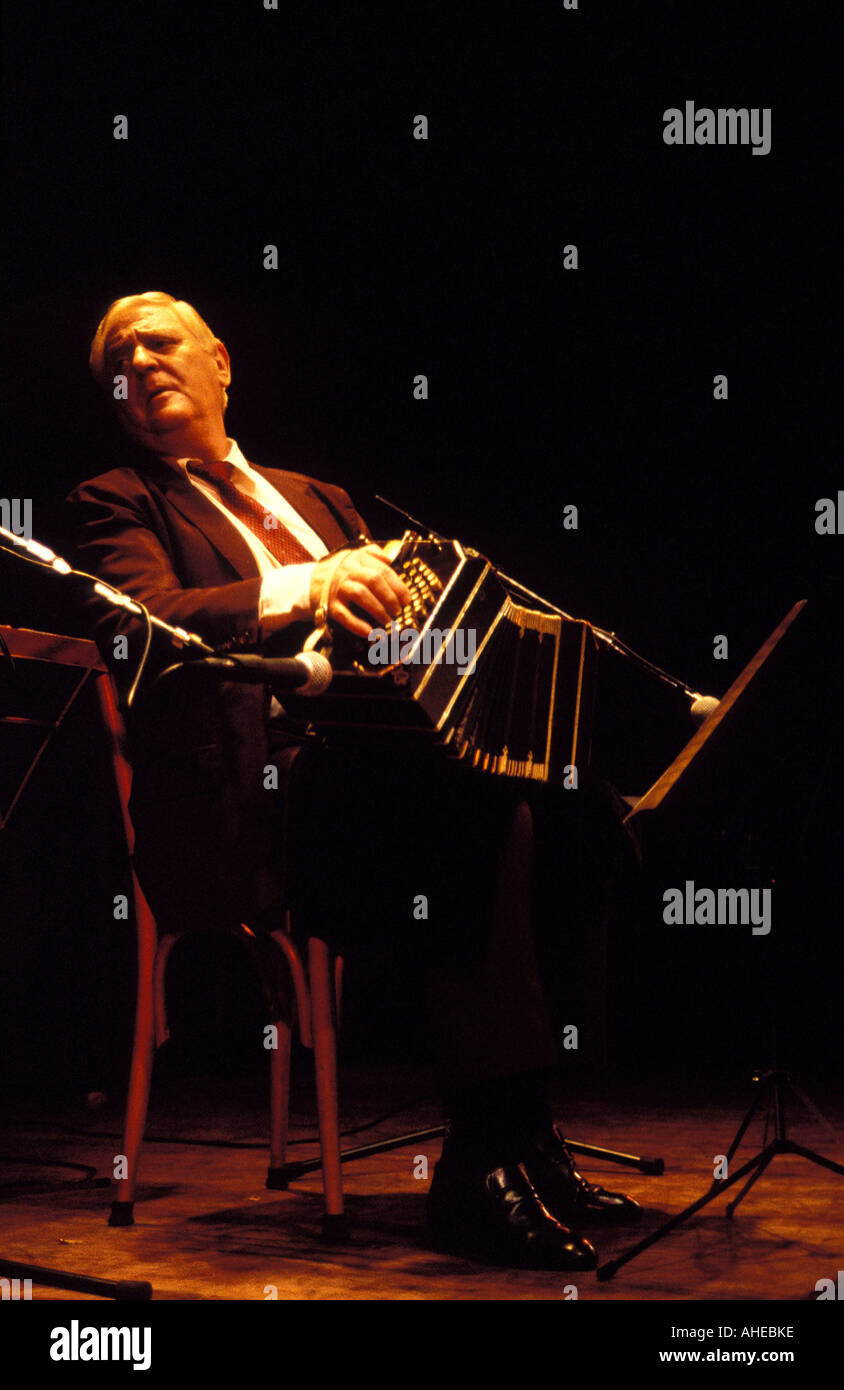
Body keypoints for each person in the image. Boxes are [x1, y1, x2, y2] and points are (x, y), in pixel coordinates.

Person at [68, 290, 640, 1271]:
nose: (139, 355)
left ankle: (526, 1133)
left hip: (386, 763)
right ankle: (477, 1166)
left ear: (222, 364)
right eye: (119, 353)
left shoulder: (321, 497)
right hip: (259, 798)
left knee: (569, 800)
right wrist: (308, 587)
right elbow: (144, 628)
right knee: (465, 802)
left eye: (160, 338)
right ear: (115, 397)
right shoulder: (117, 501)